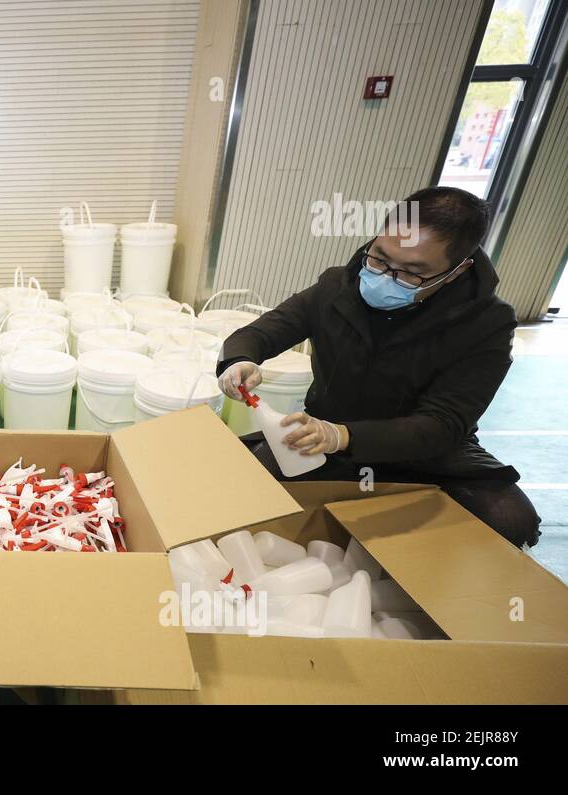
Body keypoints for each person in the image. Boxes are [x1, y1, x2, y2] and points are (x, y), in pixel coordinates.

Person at [217, 187, 540, 548]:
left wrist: (343, 435)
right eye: (380, 258)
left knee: (511, 521)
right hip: (323, 442)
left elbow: (442, 425)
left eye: (412, 273)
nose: (386, 277)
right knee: (244, 491)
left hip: (428, 456)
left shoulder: (486, 324)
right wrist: (240, 361)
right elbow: (261, 332)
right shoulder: (336, 287)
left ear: (456, 271)